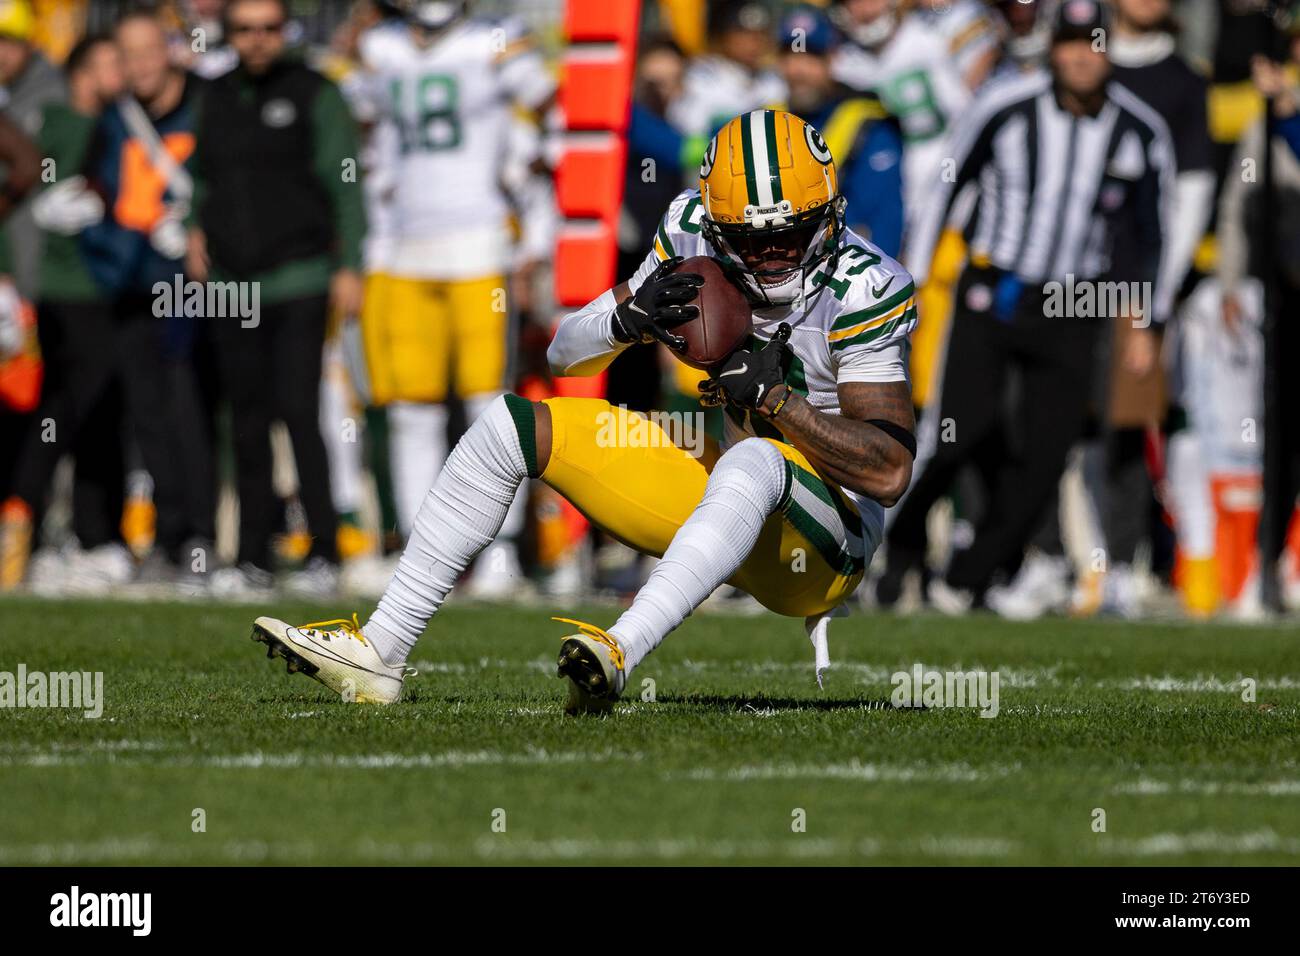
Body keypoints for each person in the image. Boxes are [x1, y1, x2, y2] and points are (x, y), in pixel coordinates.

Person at [247, 109, 917, 713]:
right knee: (510, 427)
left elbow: (887, 471)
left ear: (828, 215)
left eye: (792, 236)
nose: (775, 255)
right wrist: (628, 319)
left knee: (755, 457)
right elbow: (567, 355)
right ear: (717, 228)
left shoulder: (863, 287)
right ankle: (379, 652)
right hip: (725, 499)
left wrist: (776, 400)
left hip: (828, 541)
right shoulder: (690, 233)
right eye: (754, 239)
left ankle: (619, 651)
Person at [883, 0, 1178, 612]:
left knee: (1048, 453)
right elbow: (946, 185)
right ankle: (900, 553)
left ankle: (966, 577)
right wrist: (907, 283)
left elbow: (1155, 234)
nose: (1080, 56)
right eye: (1069, 43)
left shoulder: (1137, 128)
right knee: (959, 431)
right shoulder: (1006, 106)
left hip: (1073, 300)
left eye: (1092, 44)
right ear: (1052, 48)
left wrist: (1149, 319)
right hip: (995, 286)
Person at [355, 0, 554, 598]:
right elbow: (368, 138)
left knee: (489, 407)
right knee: (411, 409)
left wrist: (532, 226)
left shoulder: (496, 38)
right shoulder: (378, 46)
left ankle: (498, 557)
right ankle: (423, 554)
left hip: (479, 243)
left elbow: (547, 119)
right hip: (404, 246)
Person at [186, 0, 364, 596]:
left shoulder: (315, 91)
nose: (257, 40)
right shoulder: (213, 96)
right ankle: (252, 555)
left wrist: (350, 264)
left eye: (268, 28)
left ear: (283, 31)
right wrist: (192, 229)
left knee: (298, 409)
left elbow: (345, 180)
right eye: (245, 29)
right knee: (246, 418)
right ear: (229, 33)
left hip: (301, 275)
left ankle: (323, 550)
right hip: (234, 283)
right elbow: (201, 178)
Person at [78, 9, 217, 585]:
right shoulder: (114, 119)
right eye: (125, 55)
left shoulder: (207, 105)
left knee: (194, 410)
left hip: (196, 286)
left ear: (170, 50)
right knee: (149, 417)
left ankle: (202, 539)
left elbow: (234, 178)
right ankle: (167, 535)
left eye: (145, 51)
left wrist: (197, 224)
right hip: (135, 285)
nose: (137, 66)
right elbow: (99, 194)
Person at [1, 33, 128, 594]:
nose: (119, 73)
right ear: (81, 70)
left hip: (102, 285)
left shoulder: (120, 124)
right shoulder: (53, 119)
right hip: (54, 287)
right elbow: (23, 186)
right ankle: (24, 512)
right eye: (107, 63)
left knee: (89, 409)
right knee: (58, 408)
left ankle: (79, 531)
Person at [778, 4, 903, 257]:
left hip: (847, 276)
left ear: (833, 58)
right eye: (790, 56)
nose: (798, 70)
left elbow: (881, 227)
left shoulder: (868, 125)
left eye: (811, 57)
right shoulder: (767, 121)